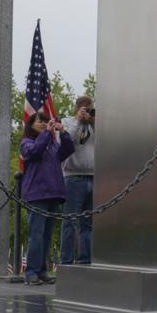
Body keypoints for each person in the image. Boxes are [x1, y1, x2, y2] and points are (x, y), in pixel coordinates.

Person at [19, 112, 74, 286]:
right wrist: (46, 134)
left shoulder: (52, 144)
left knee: (47, 236)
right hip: (37, 194)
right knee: (36, 235)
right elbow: (34, 152)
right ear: (31, 125)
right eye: (39, 121)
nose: (43, 123)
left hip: (53, 193)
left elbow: (67, 150)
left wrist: (63, 133)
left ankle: (42, 270)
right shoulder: (27, 142)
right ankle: (31, 272)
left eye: (45, 121)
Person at [60, 96, 95, 266]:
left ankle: (85, 260)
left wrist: (93, 122)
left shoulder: (94, 125)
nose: (86, 111)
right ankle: (66, 261)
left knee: (87, 224)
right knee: (70, 221)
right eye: (83, 108)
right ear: (76, 108)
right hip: (73, 177)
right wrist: (77, 121)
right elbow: (67, 141)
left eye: (89, 108)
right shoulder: (67, 122)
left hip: (94, 177)